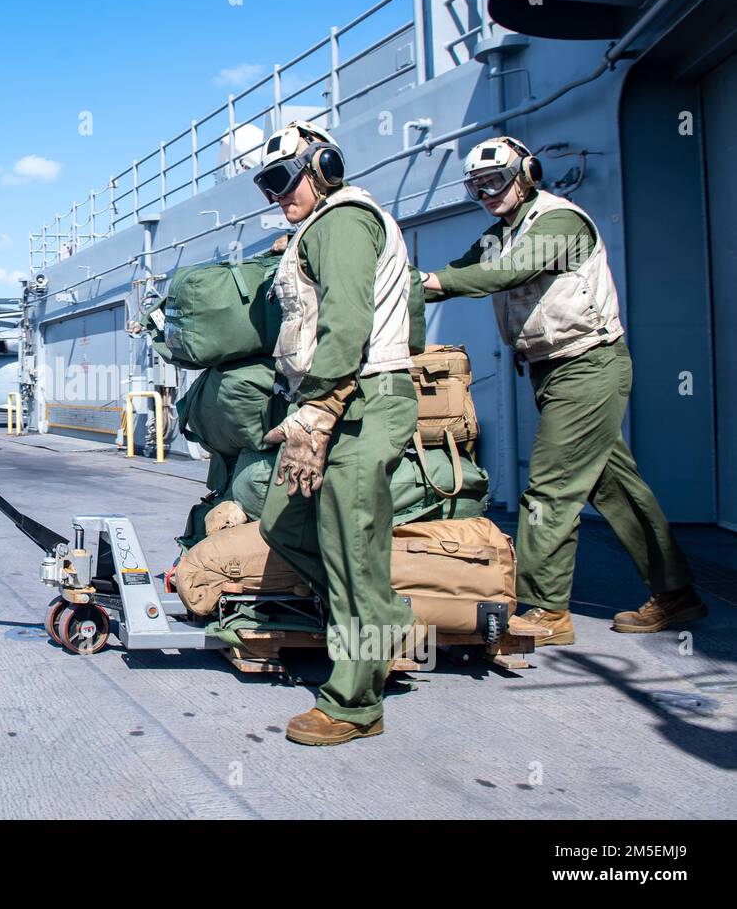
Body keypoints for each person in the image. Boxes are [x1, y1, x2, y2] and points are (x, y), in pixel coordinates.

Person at [420, 137, 701, 645]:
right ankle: (676, 594)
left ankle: (548, 612)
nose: (486, 193)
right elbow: (465, 268)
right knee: (615, 487)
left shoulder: (559, 222)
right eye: (477, 185)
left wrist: (433, 283)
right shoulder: (500, 232)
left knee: (549, 489)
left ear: (527, 173)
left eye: (495, 181)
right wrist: (406, 277)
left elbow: (506, 272)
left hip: (587, 367)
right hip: (553, 372)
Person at [253, 121, 420, 746]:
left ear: (321, 166)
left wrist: (320, 412)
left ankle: (354, 702)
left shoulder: (344, 221)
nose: (276, 195)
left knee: (353, 552)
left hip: (359, 401)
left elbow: (347, 323)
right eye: (265, 185)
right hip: (333, 399)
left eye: (282, 180)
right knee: (284, 522)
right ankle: (384, 622)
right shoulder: (320, 231)